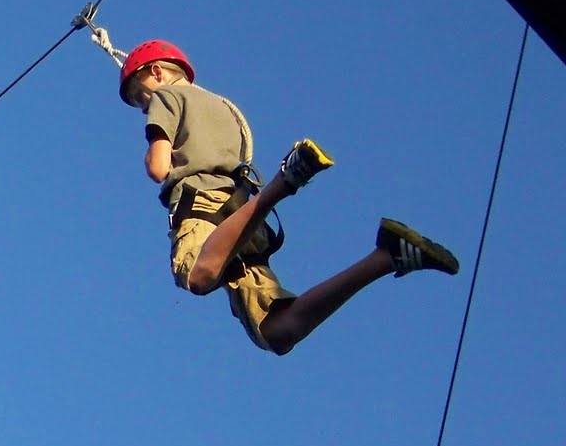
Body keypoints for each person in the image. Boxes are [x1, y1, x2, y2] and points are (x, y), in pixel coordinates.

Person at [114, 38, 459, 355]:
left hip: (204, 211)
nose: (143, 107)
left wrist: (152, 149)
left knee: (196, 275)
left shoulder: (165, 98)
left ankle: (284, 183)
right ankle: (387, 256)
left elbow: (158, 168)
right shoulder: (225, 109)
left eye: (139, 96)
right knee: (278, 332)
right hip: (238, 215)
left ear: (157, 72)